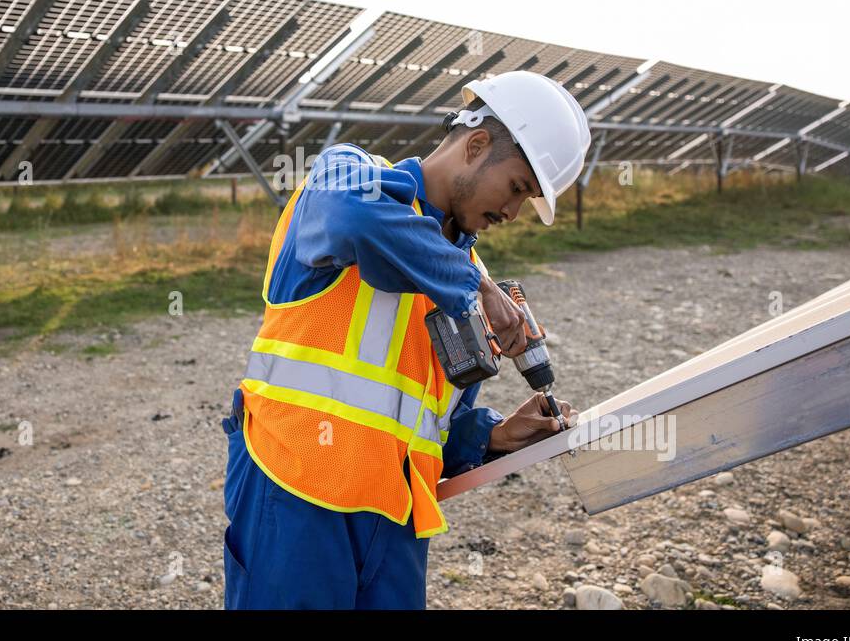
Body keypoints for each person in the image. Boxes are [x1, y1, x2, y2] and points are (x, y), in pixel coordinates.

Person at [222, 70, 590, 609]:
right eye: (516, 187)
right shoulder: (350, 174)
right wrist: (475, 284)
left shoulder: (465, 265)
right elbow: (352, 219)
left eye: (527, 199)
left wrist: (493, 436)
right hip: (296, 492)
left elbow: (425, 414)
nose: (512, 213)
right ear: (478, 144)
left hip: (395, 522)